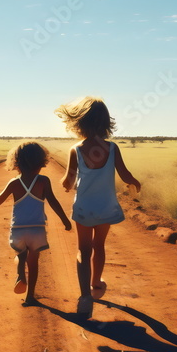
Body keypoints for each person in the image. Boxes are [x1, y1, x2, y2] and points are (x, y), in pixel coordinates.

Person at [57, 97, 141, 318]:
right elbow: (125, 175)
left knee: (83, 250)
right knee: (99, 246)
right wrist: (135, 183)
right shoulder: (112, 148)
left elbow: (69, 181)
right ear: (106, 122)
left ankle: (85, 296)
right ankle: (96, 284)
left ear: (79, 122)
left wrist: (65, 186)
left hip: (84, 208)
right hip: (106, 207)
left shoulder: (76, 149)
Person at [0, 142, 72, 305]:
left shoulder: (14, 183)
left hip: (18, 228)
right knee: (34, 262)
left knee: (21, 254)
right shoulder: (43, 181)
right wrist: (65, 220)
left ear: (17, 163)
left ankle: (21, 274)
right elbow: (53, 202)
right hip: (37, 229)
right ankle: (30, 296)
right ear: (40, 162)